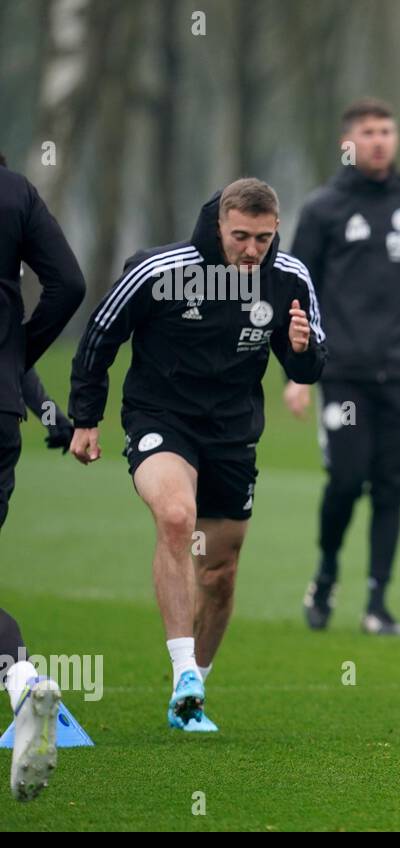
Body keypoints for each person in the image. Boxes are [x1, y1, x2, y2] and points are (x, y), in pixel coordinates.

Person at [69, 178, 326, 733]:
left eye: (262, 238)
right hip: (161, 418)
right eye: (240, 237)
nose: (250, 250)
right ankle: (182, 667)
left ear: (275, 229)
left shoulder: (289, 279)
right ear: (219, 226)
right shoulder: (160, 271)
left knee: (222, 573)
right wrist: (86, 418)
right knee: (176, 517)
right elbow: (100, 335)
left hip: (232, 434)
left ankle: (193, 695)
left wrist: (305, 353)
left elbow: (306, 365)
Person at [289, 98, 400, 637]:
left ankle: (377, 603)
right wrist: (296, 372)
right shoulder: (322, 209)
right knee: (346, 480)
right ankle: (325, 573)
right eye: (368, 131)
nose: (379, 140)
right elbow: (295, 291)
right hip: (344, 375)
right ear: (348, 141)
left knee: (391, 487)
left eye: (386, 130)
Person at [0, 151, 85, 800]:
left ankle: (23, 681)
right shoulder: (17, 193)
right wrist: (43, 401)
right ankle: (22, 683)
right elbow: (69, 285)